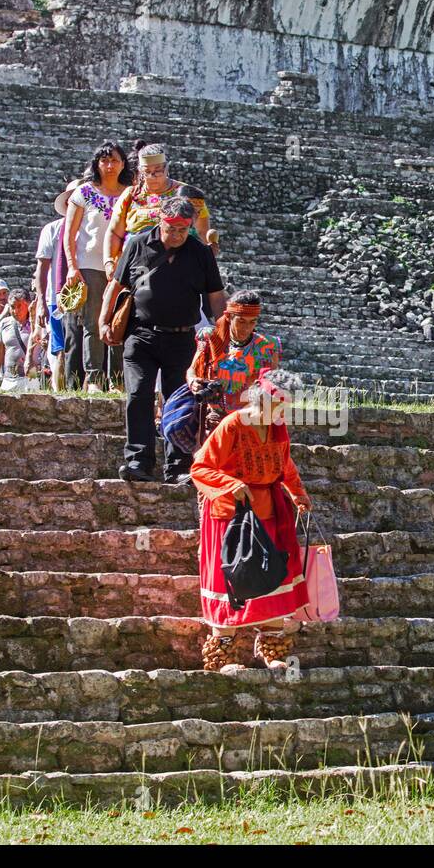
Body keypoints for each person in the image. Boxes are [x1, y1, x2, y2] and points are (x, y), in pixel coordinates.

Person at [191, 368, 312, 672]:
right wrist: (232, 486)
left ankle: (272, 651)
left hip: (268, 514)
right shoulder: (233, 425)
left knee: (271, 579)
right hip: (231, 519)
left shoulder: (277, 430)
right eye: (281, 405)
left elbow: (285, 466)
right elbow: (200, 468)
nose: (285, 412)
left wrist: (298, 494)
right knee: (231, 580)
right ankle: (223, 657)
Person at [103, 196, 227, 484]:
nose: (177, 236)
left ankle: (178, 466)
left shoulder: (201, 254)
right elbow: (116, 285)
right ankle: (138, 461)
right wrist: (104, 320)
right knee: (138, 395)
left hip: (182, 338)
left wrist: (223, 334)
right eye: (172, 229)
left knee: (179, 402)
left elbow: (216, 297)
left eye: (183, 230)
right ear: (160, 220)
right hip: (140, 334)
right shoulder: (136, 244)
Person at [62, 140, 134, 391]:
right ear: (97, 163)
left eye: (114, 160)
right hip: (90, 265)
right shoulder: (83, 193)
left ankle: (116, 380)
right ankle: (93, 377)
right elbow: (69, 235)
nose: (110, 165)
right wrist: (72, 267)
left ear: (123, 163)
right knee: (93, 322)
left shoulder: (132, 193)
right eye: (104, 160)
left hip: (123, 266)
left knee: (119, 322)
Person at [103, 143, 217, 275]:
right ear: (140, 171)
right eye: (147, 172)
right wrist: (109, 262)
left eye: (158, 170)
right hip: (135, 264)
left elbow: (203, 231)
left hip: (178, 264)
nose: (153, 176)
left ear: (166, 168)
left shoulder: (186, 193)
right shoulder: (131, 194)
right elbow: (114, 232)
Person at [188, 290, 281, 437]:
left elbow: (271, 386)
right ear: (229, 317)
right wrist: (193, 382)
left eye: (252, 322)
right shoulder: (209, 338)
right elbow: (192, 370)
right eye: (241, 321)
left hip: (248, 423)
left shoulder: (267, 347)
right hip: (212, 420)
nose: (246, 328)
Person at [33, 211, 68, 390]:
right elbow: (42, 268)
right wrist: (41, 303)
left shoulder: (90, 227)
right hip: (59, 298)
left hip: (86, 295)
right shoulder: (53, 229)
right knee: (59, 348)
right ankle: (60, 389)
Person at [0, 289, 38, 392]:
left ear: (28, 305)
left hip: (31, 378)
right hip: (8, 379)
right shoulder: (4, 324)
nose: (16, 311)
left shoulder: (37, 325)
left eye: (19, 306)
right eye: (12, 307)